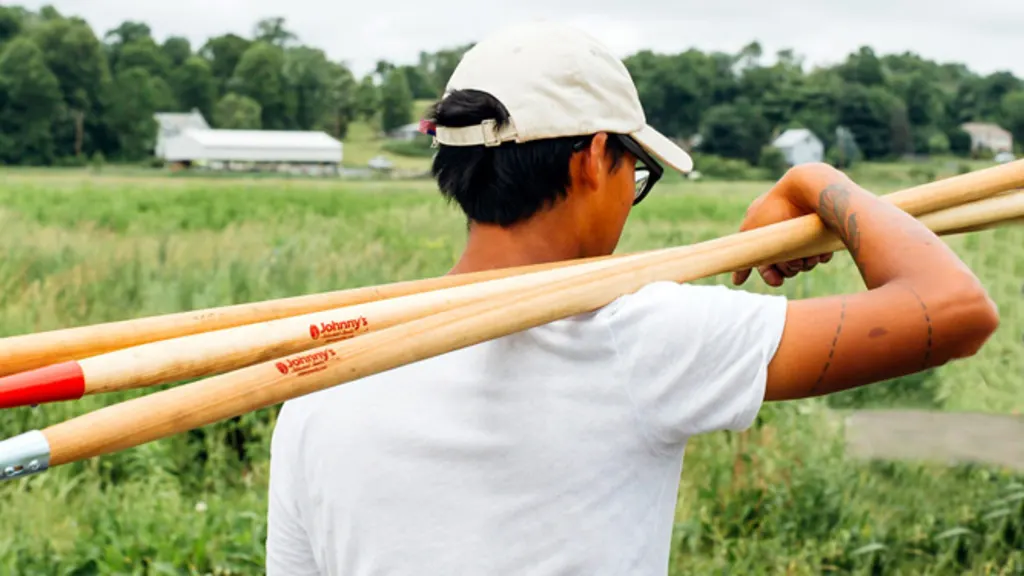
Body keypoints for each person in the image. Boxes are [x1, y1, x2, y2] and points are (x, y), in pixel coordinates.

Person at [265, 21, 999, 576]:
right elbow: (955, 309)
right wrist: (814, 182)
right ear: (591, 159)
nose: (632, 195)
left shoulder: (321, 372)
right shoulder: (638, 336)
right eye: (636, 169)